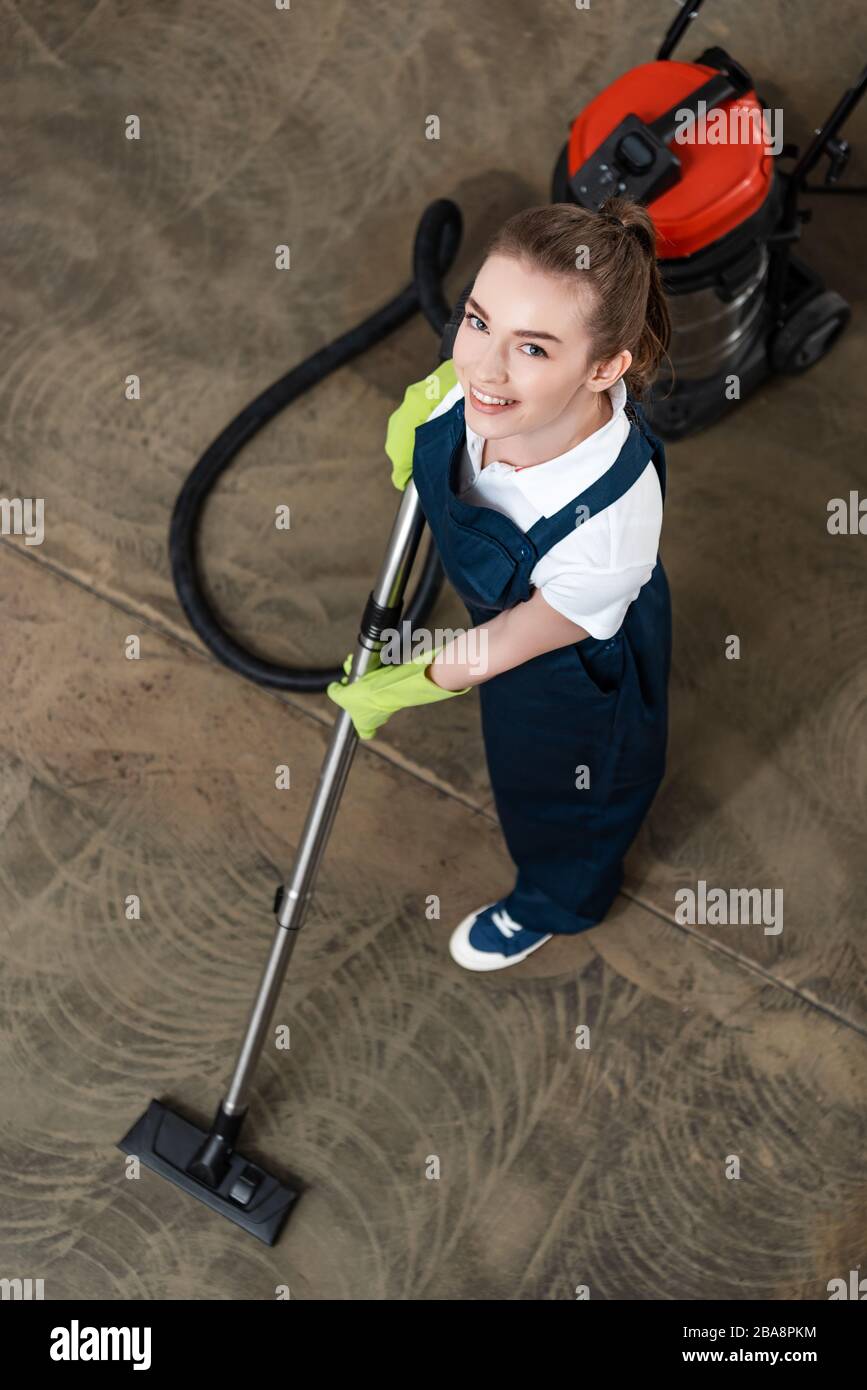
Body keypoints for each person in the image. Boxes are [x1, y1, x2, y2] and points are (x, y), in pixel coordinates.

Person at [328, 197, 673, 972]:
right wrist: (421, 429)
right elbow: (459, 386)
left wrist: (408, 681)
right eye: (478, 321)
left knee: (564, 788)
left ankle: (558, 899)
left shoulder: (606, 529)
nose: (483, 368)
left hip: (571, 668)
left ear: (604, 367)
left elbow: (511, 641)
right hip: (518, 608)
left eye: (533, 349)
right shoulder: (479, 390)